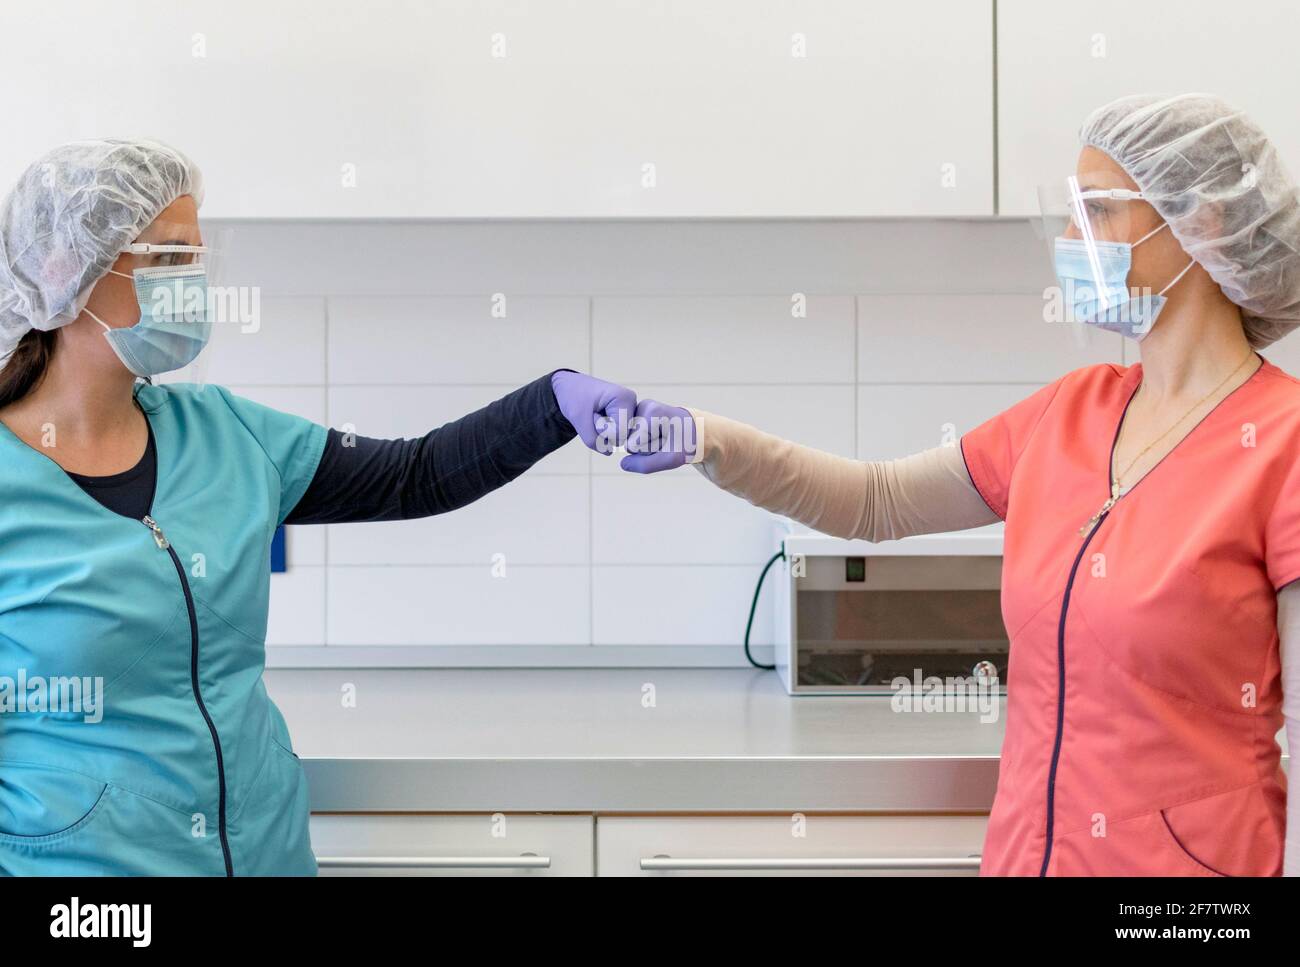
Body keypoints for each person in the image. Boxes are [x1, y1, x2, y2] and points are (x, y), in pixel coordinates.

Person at [624, 94, 1300, 876]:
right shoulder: (1072, 410)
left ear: (1205, 222)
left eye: (1099, 211)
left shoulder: (1282, 443)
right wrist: (706, 439)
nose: (1073, 243)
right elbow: (876, 500)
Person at [0, 139, 635, 875]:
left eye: (198, 263)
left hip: (268, 857)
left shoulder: (224, 436)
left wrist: (553, 403)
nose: (192, 287)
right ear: (63, 270)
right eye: (168, 259)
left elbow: (415, 473)